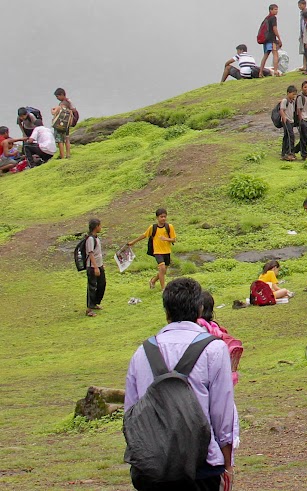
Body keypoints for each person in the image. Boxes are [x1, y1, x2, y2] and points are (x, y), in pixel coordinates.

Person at [122, 277, 235, 491]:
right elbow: (222, 412)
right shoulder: (214, 349)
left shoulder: (142, 352)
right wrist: (227, 463)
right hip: (201, 465)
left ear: (166, 312)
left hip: (153, 467)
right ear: (200, 309)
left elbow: (131, 413)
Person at [130, 208, 177, 290]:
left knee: (163, 271)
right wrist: (133, 242)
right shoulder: (153, 227)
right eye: (161, 217)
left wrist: (165, 239)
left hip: (167, 251)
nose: (163, 218)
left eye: (165, 216)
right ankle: (163, 289)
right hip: (157, 251)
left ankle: (153, 281)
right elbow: (144, 235)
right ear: (157, 218)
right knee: (162, 268)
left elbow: (173, 239)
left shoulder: (169, 227)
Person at [84, 217, 106, 316]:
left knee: (102, 284)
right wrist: (96, 267)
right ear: (96, 227)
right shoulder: (90, 239)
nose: (101, 227)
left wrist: (101, 265)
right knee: (92, 286)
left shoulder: (96, 238)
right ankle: (89, 308)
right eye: (99, 225)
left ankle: (95, 303)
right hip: (92, 267)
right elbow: (91, 254)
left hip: (98, 265)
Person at [50, 87, 76, 160]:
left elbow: (54, 112)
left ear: (62, 95)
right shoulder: (68, 102)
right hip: (66, 124)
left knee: (60, 141)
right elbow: (73, 111)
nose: (57, 98)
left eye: (57, 96)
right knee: (67, 139)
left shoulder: (62, 104)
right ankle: (68, 154)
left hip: (59, 124)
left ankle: (62, 156)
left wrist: (52, 110)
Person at [259, 3, 283, 75]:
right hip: (272, 39)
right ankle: (275, 71)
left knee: (266, 55)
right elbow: (274, 28)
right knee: (275, 54)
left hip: (265, 40)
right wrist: (279, 38)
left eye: (277, 9)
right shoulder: (273, 18)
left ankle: (260, 72)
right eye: (275, 9)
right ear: (270, 10)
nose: (276, 11)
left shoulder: (267, 18)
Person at [278, 84, 300, 161]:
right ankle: (289, 153)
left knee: (286, 137)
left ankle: (284, 153)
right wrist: (284, 118)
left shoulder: (292, 102)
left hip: (291, 121)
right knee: (291, 136)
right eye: (293, 94)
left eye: (295, 94)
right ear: (288, 93)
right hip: (286, 121)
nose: (294, 96)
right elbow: (282, 110)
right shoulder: (285, 101)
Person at [294, 80, 307, 160]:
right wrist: (300, 120)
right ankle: (304, 155)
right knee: (304, 137)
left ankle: (295, 150)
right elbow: (299, 110)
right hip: (303, 119)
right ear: (302, 88)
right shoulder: (300, 97)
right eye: (305, 87)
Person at [296, 0, 307, 75]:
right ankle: (305, 66)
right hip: (303, 35)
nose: (299, 6)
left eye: (300, 5)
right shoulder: (301, 14)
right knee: (305, 52)